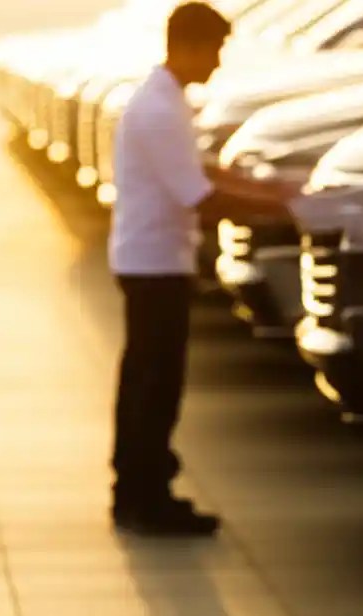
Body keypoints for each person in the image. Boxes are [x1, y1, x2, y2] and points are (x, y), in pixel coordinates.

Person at [108, 2, 289, 535]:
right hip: (155, 263)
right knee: (156, 383)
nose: (217, 63)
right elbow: (199, 195)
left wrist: (265, 189)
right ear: (187, 46)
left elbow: (198, 171)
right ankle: (146, 496)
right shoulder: (160, 110)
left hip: (152, 259)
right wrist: (277, 208)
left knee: (146, 377)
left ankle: (137, 488)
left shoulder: (163, 102)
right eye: (214, 50)